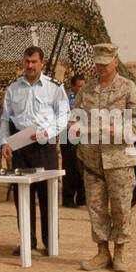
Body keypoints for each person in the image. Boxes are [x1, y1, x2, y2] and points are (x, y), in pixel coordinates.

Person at [72, 43, 136, 272]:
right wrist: (77, 128)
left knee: (121, 207)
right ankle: (102, 252)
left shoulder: (128, 88)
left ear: (116, 61)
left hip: (119, 160)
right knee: (96, 207)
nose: (101, 68)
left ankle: (120, 252)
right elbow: (74, 117)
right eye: (98, 64)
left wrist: (121, 132)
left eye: (105, 64)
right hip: (92, 159)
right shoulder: (87, 89)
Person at [0, 46, 69, 255]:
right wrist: (5, 142)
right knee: (23, 197)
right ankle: (27, 242)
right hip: (20, 147)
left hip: (43, 146)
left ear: (42, 63)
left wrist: (48, 133)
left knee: (47, 196)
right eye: (27, 61)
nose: (29, 65)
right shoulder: (13, 89)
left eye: (34, 62)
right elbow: (5, 118)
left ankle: (50, 243)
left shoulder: (54, 87)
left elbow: (64, 116)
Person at [60, 73, 86, 208]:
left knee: (82, 168)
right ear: (73, 86)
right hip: (68, 136)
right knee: (70, 168)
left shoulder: (86, 98)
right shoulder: (68, 99)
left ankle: (82, 198)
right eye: (79, 86)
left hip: (83, 137)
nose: (82, 89)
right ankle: (68, 199)